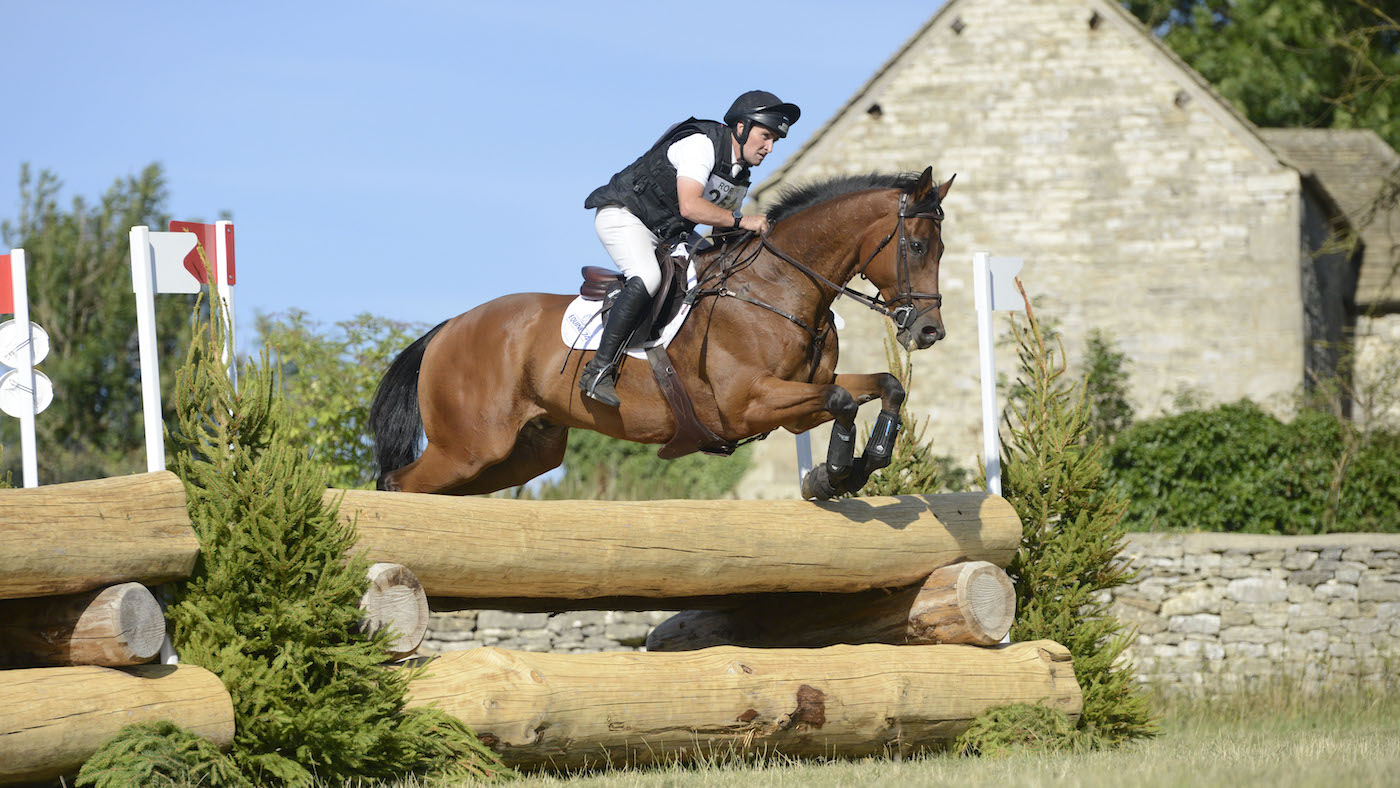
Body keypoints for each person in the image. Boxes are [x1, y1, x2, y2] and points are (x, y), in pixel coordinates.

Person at [578, 90, 801, 407]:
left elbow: (723, 232)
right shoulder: (702, 144)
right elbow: (691, 206)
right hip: (626, 216)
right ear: (741, 128)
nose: (769, 147)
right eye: (766, 136)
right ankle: (598, 370)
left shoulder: (739, 174)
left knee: (716, 279)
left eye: (775, 141)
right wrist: (745, 220)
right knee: (648, 276)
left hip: (669, 233)